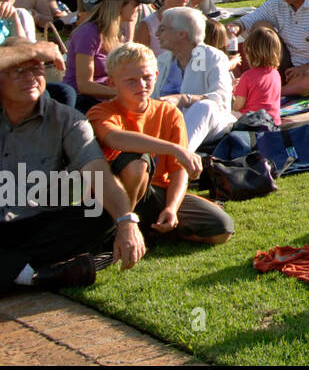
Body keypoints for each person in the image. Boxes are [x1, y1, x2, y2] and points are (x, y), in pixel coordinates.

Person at [0, 40, 147, 293]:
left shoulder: (67, 119)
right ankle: (35, 277)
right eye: (18, 71)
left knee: (98, 214)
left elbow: (99, 175)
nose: (31, 78)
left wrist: (127, 222)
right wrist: (36, 50)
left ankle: (15, 269)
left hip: (37, 224)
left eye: (37, 68)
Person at [86, 44, 234, 246]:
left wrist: (172, 208)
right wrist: (174, 148)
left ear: (156, 76)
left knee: (222, 228)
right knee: (138, 161)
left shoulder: (169, 113)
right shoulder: (100, 112)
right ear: (112, 84)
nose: (141, 85)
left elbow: (177, 170)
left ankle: (152, 229)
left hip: (158, 193)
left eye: (146, 77)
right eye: (131, 80)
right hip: (114, 198)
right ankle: (121, 230)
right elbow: (115, 138)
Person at [64, 0, 151, 112]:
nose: (138, 9)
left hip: (106, 100)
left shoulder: (117, 33)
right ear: (120, 5)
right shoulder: (88, 33)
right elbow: (84, 85)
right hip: (82, 104)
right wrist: (124, 94)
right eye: (135, 4)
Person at [153, 6, 235, 151]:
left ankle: (178, 161)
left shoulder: (210, 57)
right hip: (167, 124)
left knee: (205, 106)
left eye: (163, 29)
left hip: (210, 125)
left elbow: (220, 100)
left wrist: (183, 99)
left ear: (181, 34)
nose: (157, 33)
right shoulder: (163, 60)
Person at [232, 26, 282, 125]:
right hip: (273, 122)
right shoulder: (275, 74)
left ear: (250, 53)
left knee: (225, 114)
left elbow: (238, 106)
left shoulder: (247, 76)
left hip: (252, 122)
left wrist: (234, 91)